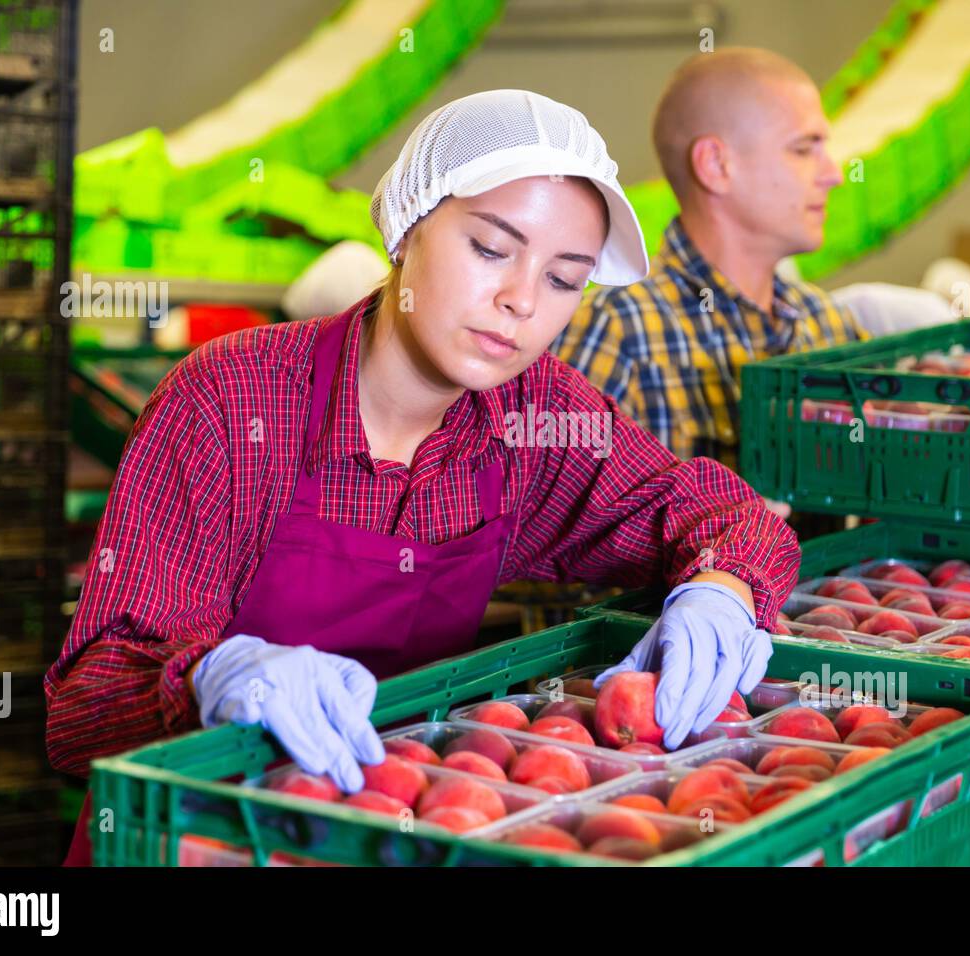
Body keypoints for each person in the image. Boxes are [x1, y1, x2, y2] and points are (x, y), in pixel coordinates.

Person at [47, 90, 800, 864]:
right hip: (195, 838)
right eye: (490, 248)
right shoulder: (234, 403)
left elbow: (716, 510)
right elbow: (83, 706)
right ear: (406, 227)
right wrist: (209, 679)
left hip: (383, 832)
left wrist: (721, 589)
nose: (520, 301)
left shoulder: (531, 419)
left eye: (563, 279)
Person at [552, 48, 869, 470]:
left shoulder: (830, 325)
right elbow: (553, 527)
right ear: (716, 164)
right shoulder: (619, 332)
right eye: (803, 149)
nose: (833, 173)